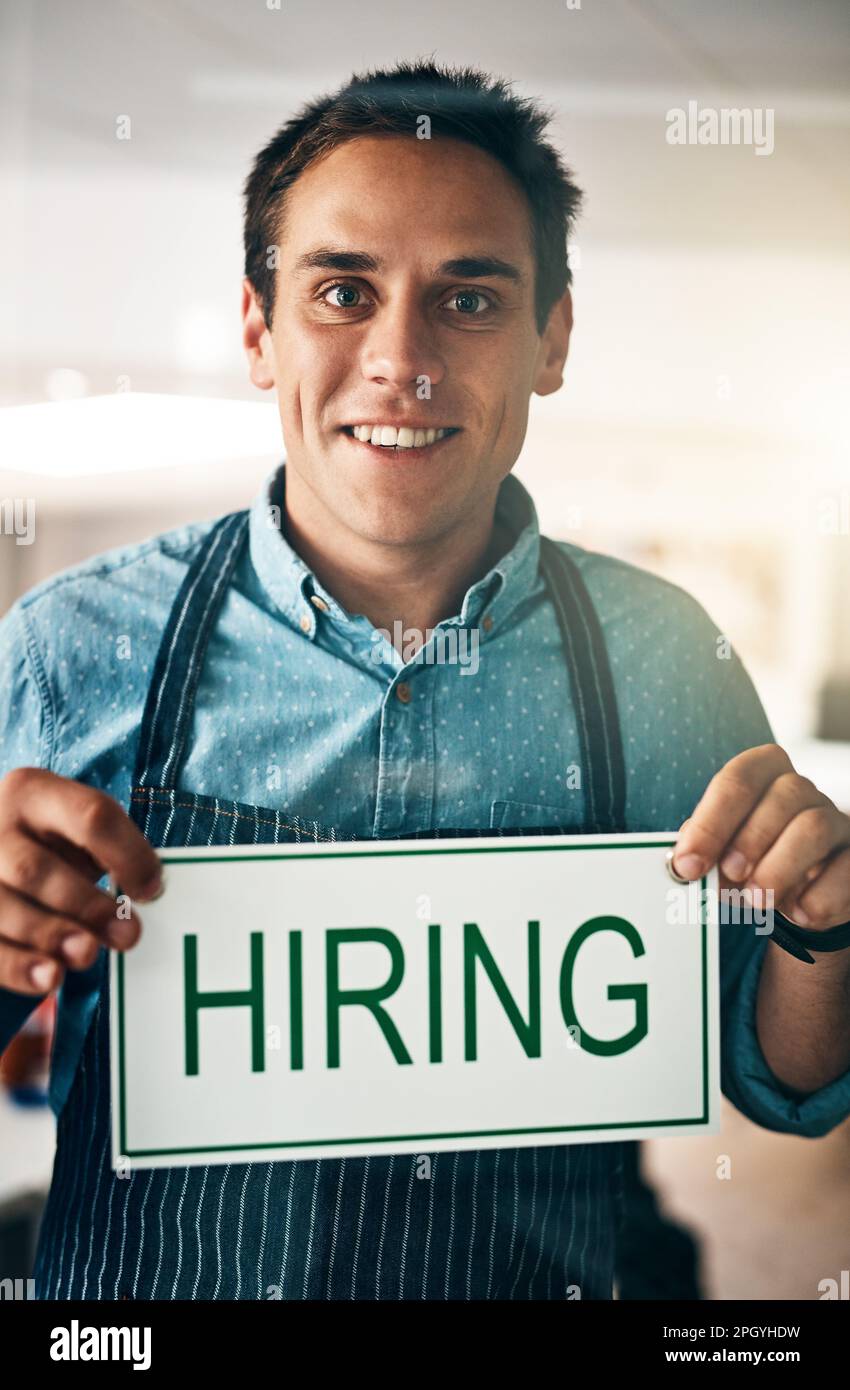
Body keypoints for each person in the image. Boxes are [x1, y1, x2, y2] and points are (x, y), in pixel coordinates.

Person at [1, 61, 849, 1302]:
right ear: (258, 328)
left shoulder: (670, 656)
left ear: (549, 339)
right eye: (343, 290)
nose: (401, 358)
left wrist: (821, 926)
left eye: (469, 298)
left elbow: (782, 1081)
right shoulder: (64, 648)